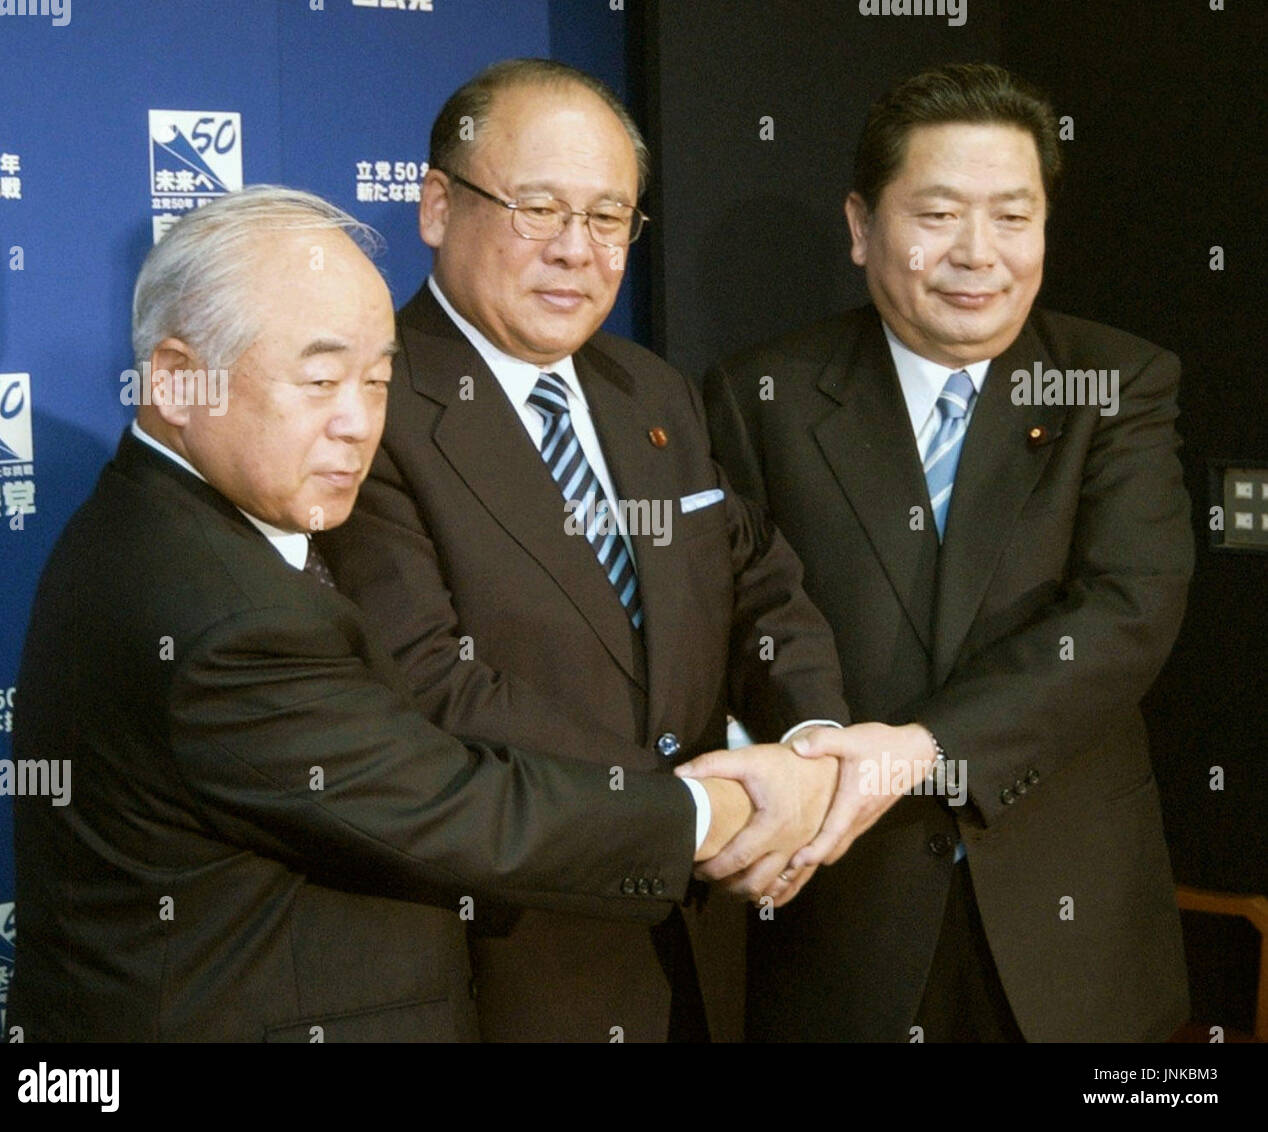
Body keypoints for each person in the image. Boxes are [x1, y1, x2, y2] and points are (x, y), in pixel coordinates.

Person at [6, 185, 782, 1043]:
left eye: (377, 381)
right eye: (320, 379)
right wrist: (713, 812)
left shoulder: (162, 520)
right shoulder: (220, 616)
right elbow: (450, 808)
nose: (357, 423)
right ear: (177, 381)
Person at [319, 59, 919, 1042]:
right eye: (536, 207)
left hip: (706, 942)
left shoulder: (651, 391)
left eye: (608, 219)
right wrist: (695, 808)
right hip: (511, 964)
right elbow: (429, 688)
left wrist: (810, 742)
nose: (575, 250)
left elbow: (756, 581)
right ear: (435, 205)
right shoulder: (362, 408)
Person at [695, 62, 1194, 1042]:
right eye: (936, 213)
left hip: (1072, 927)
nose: (978, 254)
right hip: (841, 910)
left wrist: (918, 752)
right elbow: (746, 617)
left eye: (1013, 217)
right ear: (859, 225)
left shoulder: (1113, 382)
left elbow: (1128, 611)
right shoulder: (763, 396)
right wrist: (815, 756)